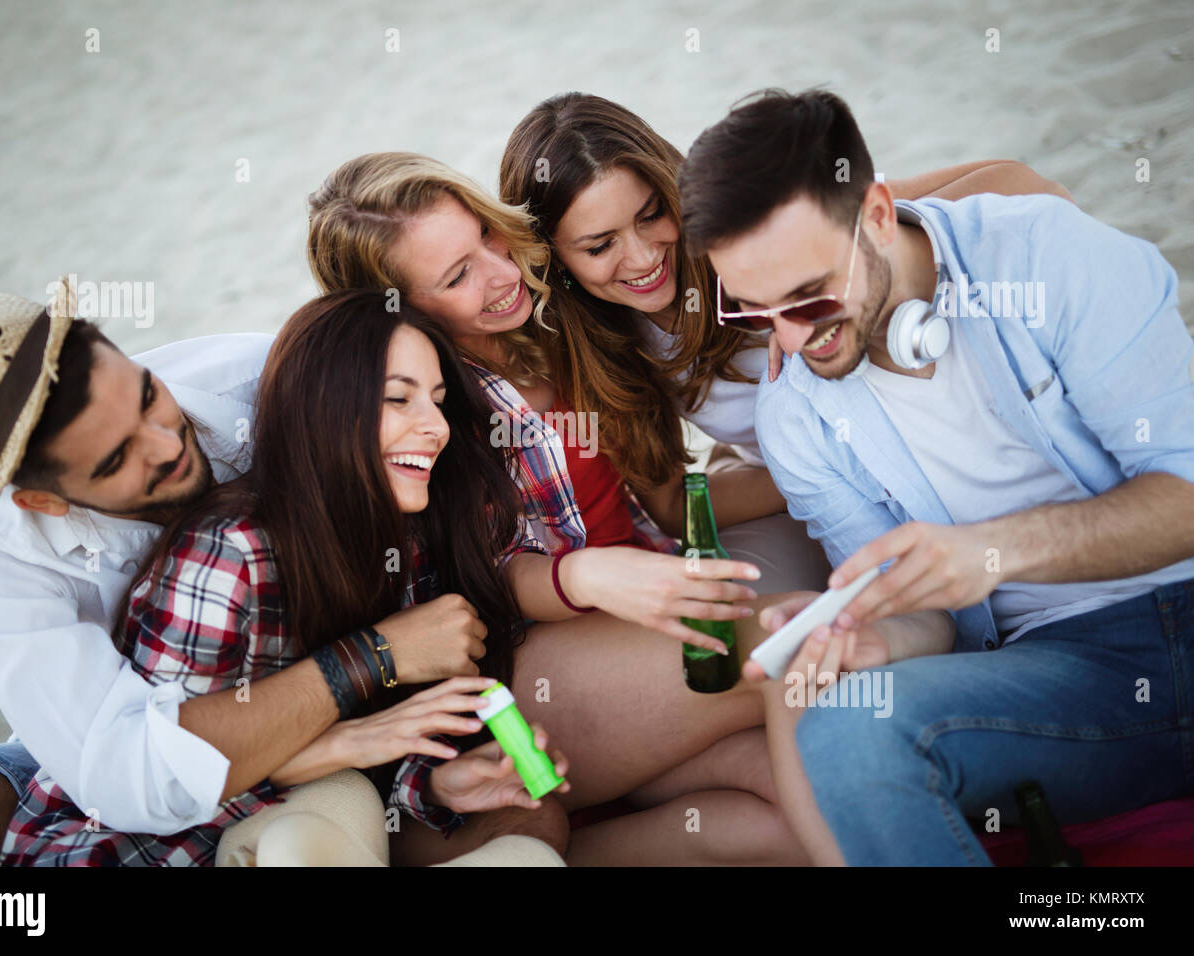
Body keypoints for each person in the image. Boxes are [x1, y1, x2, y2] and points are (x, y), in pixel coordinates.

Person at [305, 153, 955, 865]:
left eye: (489, 238)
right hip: (531, 672)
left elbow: (669, 491)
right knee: (804, 642)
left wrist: (801, 310)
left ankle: (558, 851)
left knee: (781, 817)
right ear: (398, 311)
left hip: (635, 633)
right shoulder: (423, 410)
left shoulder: (555, 318)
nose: (500, 274)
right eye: (458, 276)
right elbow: (475, 577)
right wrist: (583, 576)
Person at [678, 87, 1194, 865]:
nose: (789, 340)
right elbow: (935, 619)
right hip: (1063, 677)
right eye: (751, 312)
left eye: (809, 297)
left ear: (879, 215)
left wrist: (992, 552)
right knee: (851, 727)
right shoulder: (794, 416)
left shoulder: (1047, 257)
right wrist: (868, 634)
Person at [0, 279, 502, 865]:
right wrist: (376, 656)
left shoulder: (259, 378)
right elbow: (133, 778)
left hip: (276, 722)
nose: (166, 444)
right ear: (45, 501)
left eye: (146, 398)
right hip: (95, 736)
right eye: (116, 458)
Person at [497, 91, 1073, 592]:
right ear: (555, 259)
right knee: (777, 627)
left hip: (934, 452)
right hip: (798, 487)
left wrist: (811, 298)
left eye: (652, 215)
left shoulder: (756, 230)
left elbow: (1020, 184)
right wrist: (819, 473)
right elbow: (673, 507)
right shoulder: (597, 351)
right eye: (600, 246)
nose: (645, 257)